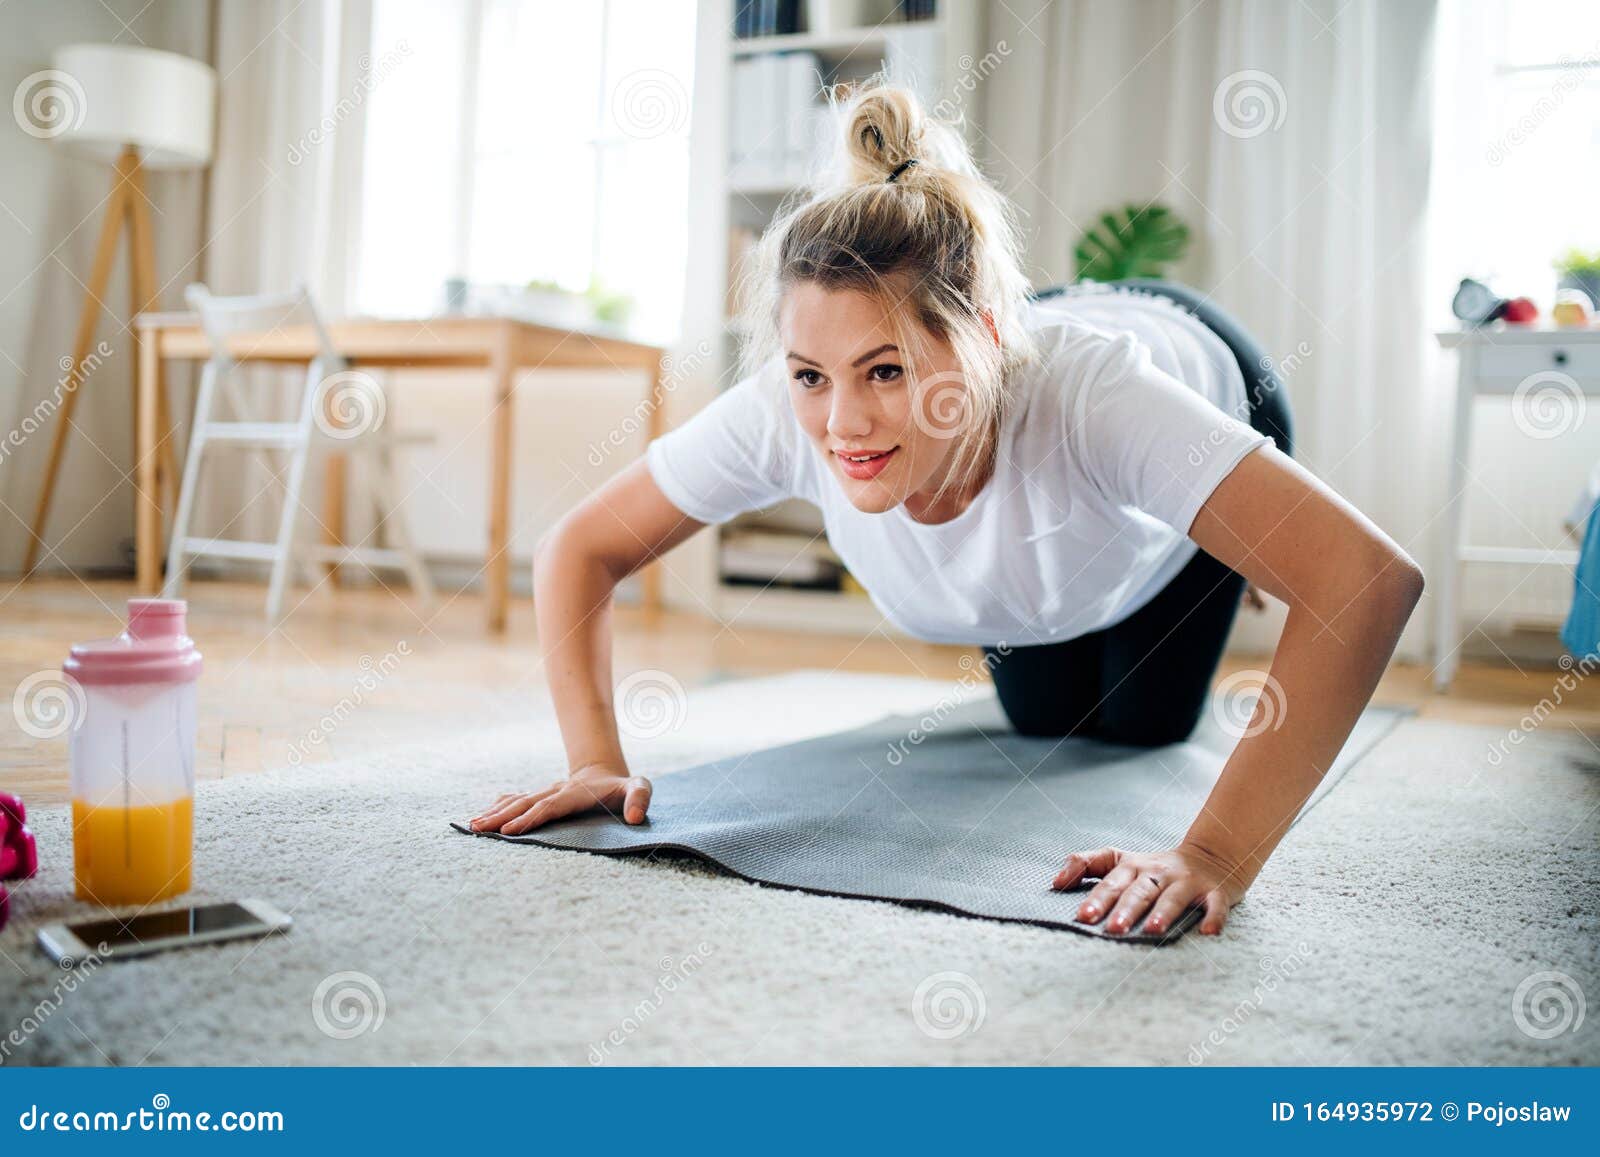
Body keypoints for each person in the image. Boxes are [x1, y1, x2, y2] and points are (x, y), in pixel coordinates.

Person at [470, 84, 1422, 937]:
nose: (842, 423)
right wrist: (594, 757)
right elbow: (579, 548)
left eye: (885, 371)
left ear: (989, 339)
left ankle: (1211, 526)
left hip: (1202, 374)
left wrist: (1215, 853)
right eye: (812, 374)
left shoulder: (1093, 398)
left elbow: (1369, 580)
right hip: (1023, 438)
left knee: (1137, 728)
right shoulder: (783, 410)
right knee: (1045, 717)